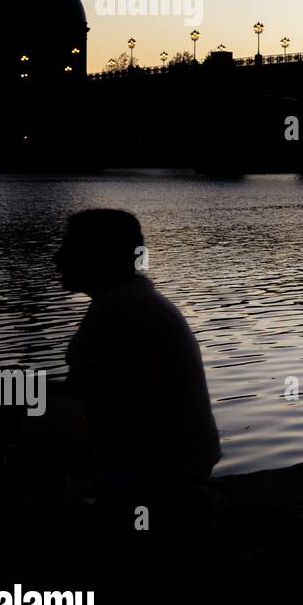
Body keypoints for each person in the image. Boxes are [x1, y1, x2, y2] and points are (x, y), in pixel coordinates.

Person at [54, 209, 222, 499]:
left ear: (98, 256)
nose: (57, 258)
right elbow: (79, 391)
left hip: (161, 472)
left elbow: (72, 398)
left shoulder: (117, 311)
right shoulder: (135, 301)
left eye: (68, 248)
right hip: (184, 462)